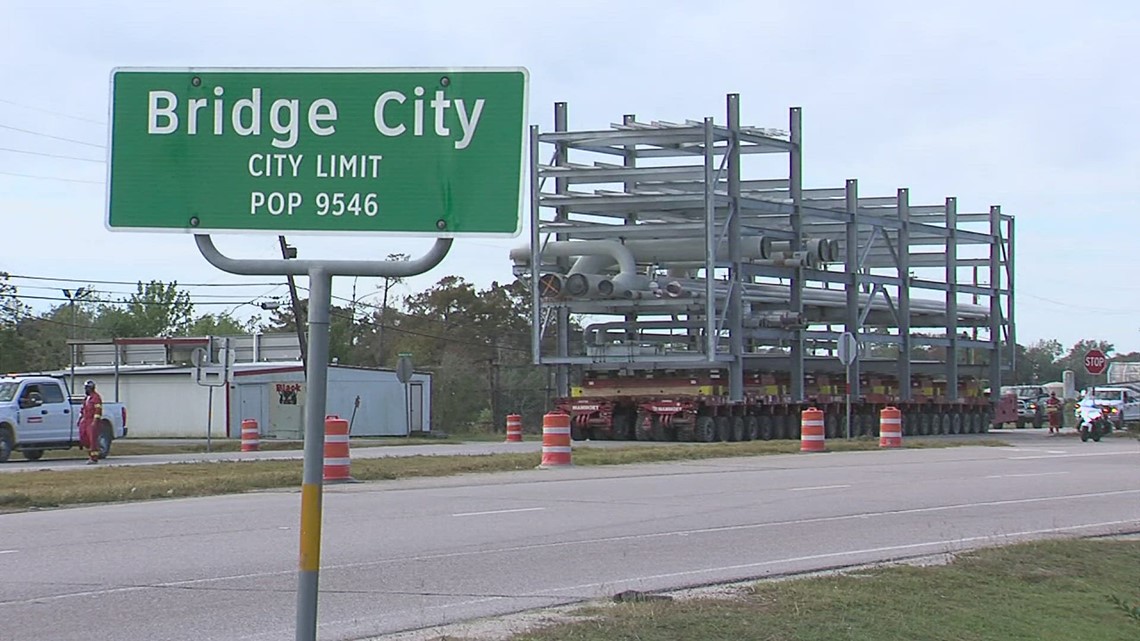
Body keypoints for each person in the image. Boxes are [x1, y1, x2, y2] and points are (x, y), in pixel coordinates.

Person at [78, 379, 103, 464]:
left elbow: (98, 410)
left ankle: (94, 458)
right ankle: (90, 453)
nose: (86, 390)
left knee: (92, 440)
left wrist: (95, 422)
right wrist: (80, 419)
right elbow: (83, 409)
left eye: (87, 388)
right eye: (85, 388)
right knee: (84, 438)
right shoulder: (86, 398)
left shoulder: (96, 397)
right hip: (85, 420)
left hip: (92, 421)